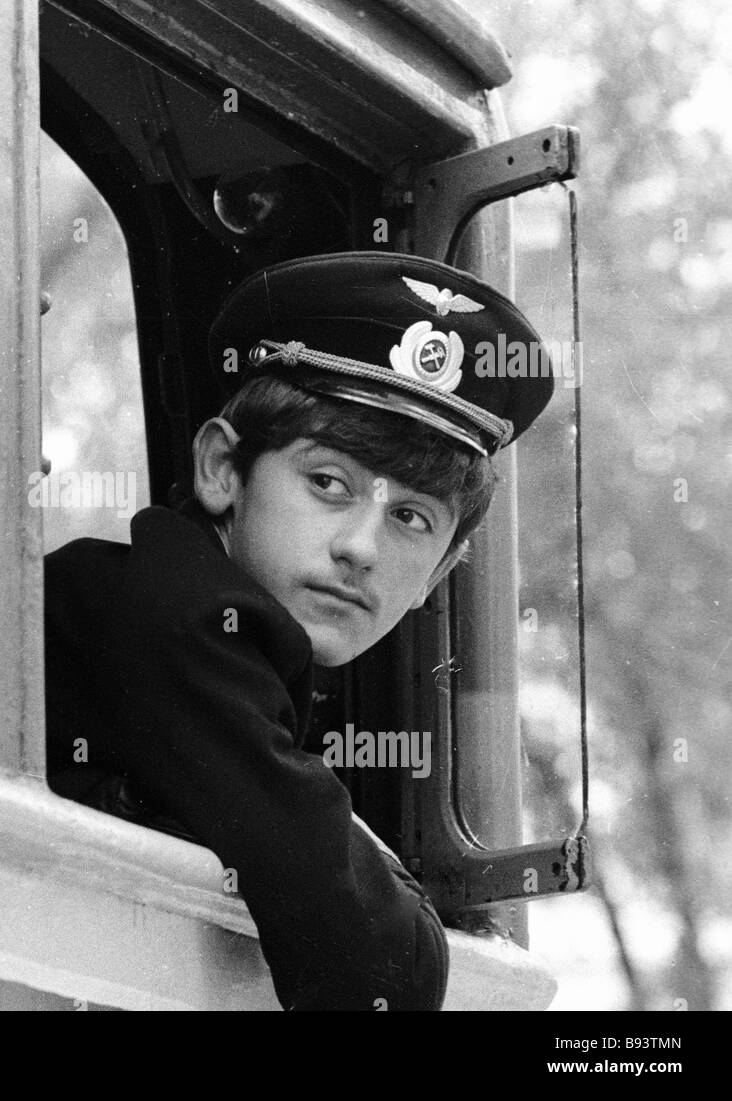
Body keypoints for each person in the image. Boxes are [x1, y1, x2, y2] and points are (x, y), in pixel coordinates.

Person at [43, 251, 555, 1011]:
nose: (361, 547)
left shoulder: (207, 624)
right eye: (327, 483)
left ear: (439, 575)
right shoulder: (177, 620)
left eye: (410, 518)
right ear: (222, 468)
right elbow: (373, 969)